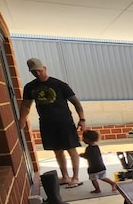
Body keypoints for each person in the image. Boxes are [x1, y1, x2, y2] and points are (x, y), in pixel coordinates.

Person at [19, 58, 85, 188]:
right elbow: (26, 105)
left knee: (71, 149)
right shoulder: (30, 87)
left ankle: (75, 177)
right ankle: (65, 176)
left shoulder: (59, 84)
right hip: (47, 123)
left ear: (44, 68)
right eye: (34, 72)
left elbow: (76, 103)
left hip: (64, 121)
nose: (37, 74)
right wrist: (22, 120)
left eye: (39, 70)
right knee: (57, 150)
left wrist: (82, 119)